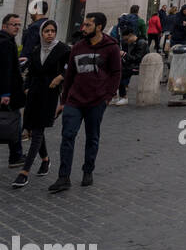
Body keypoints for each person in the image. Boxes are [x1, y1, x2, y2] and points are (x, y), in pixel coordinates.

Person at [49, 11, 121, 192]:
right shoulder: (78, 47)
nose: (84, 28)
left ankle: (88, 170)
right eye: (84, 24)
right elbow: (70, 75)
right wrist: (64, 101)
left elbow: (116, 73)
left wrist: (108, 96)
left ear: (99, 27)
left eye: (88, 25)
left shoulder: (111, 47)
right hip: (74, 100)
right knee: (67, 136)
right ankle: (63, 177)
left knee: (92, 137)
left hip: (97, 101)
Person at [13, 21, 69, 187]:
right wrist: (26, 88)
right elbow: (31, 71)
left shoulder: (63, 49)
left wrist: (60, 77)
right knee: (32, 128)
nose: (50, 34)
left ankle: (24, 172)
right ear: (41, 33)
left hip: (50, 95)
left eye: (53, 31)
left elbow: (70, 68)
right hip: (34, 94)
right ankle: (45, 160)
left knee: (38, 130)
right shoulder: (37, 49)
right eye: (46, 31)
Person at [0, 12, 26, 170]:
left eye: (18, 25)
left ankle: (16, 155)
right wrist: (5, 94)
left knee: (14, 122)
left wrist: (17, 60)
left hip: (8, 92)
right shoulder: (5, 43)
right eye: (13, 24)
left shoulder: (6, 41)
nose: (17, 27)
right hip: (8, 93)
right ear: (4, 26)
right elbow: (4, 70)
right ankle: (15, 156)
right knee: (14, 122)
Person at [113, 30, 149, 105]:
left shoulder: (141, 43)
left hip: (140, 66)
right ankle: (114, 96)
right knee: (115, 71)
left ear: (131, 35)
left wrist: (124, 55)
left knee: (120, 74)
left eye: (126, 39)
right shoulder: (132, 43)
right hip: (132, 65)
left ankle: (124, 97)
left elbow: (138, 58)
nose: (126, 41)